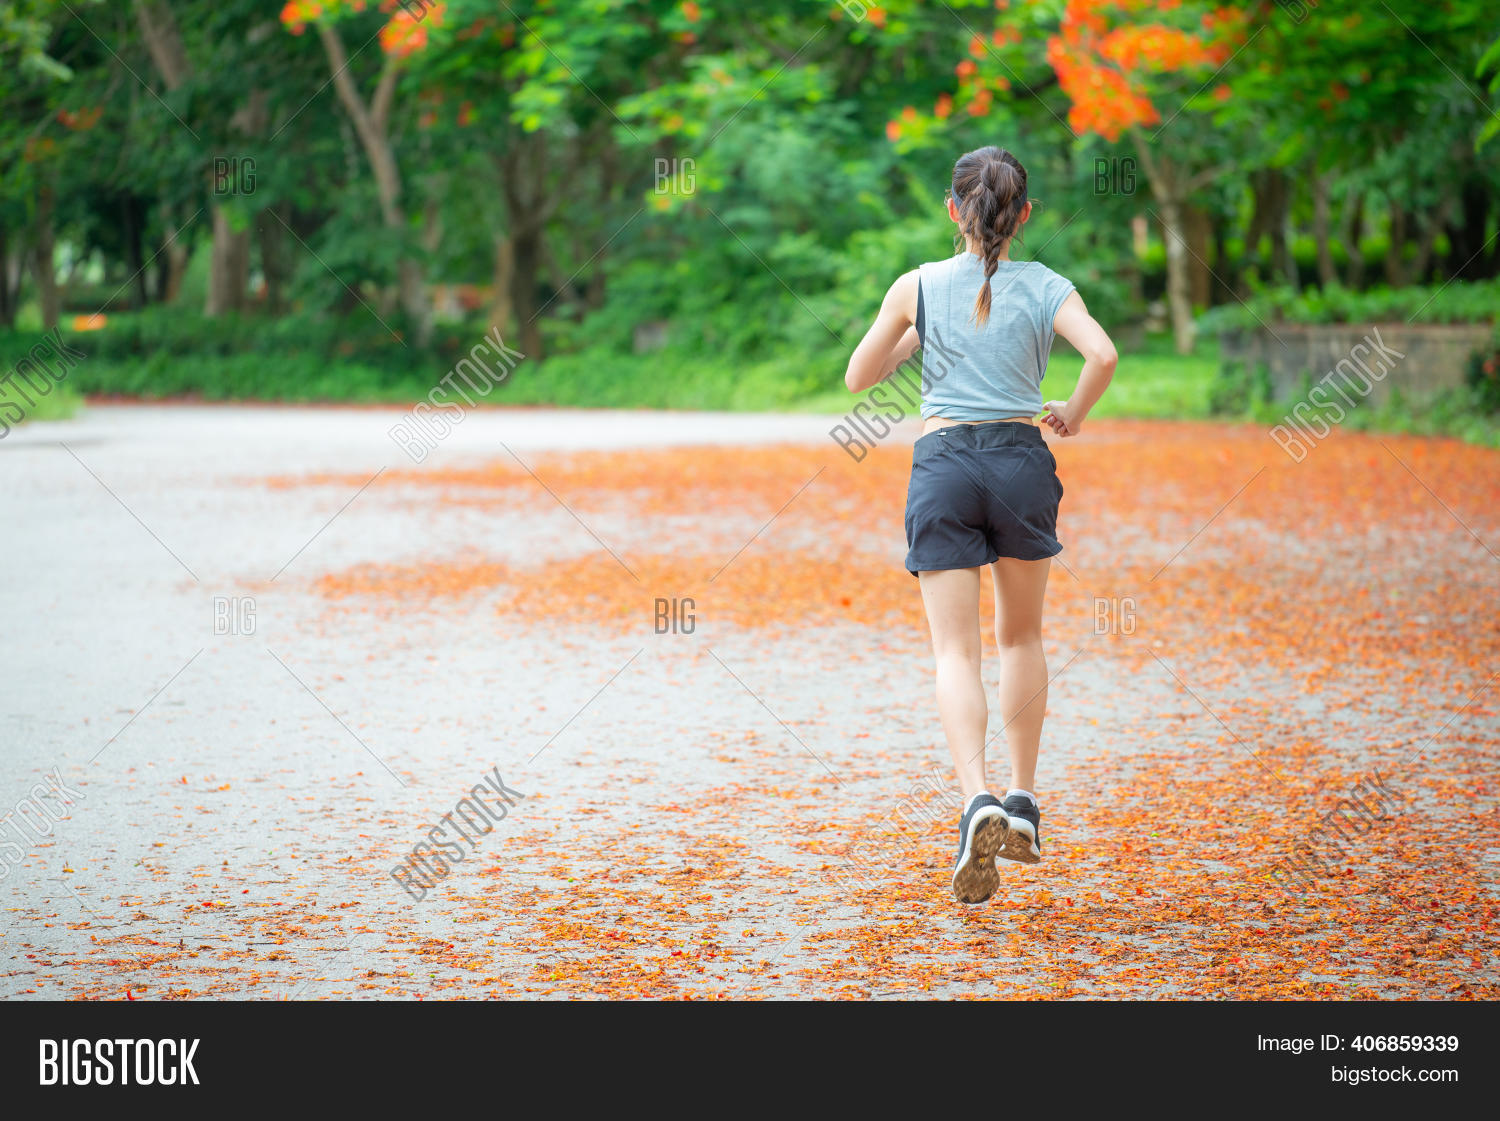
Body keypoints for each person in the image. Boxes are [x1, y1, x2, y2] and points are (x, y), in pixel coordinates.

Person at [844, 145, 1117, 904]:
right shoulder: (1048, 285)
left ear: (952, 210)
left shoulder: (919, 285)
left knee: (954, 651)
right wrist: (1072, 411)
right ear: (1023, 215)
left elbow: (858, 377)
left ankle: (978, 799)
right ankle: (1023, 803)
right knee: (1021, 637)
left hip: (944, 467)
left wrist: (917, 332)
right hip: (1021, 459)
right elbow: (1103, 352)